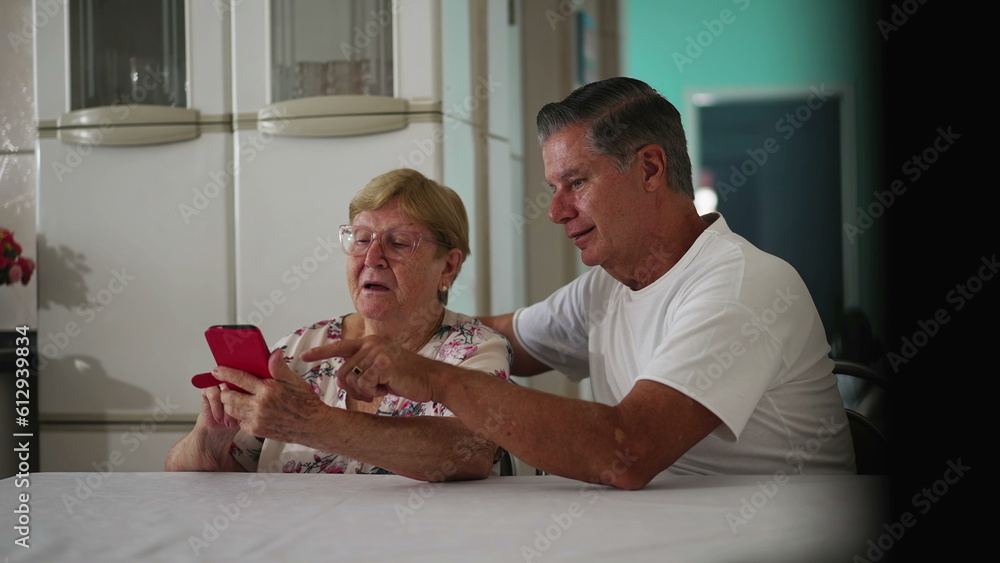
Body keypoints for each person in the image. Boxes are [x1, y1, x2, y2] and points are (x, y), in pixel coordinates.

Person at [301, 77, 855, 490]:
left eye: (576, 183)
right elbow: (500, 339)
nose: (557, 211)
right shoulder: (609, 287)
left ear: (650, 169)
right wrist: (384, 320)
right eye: (552, 187)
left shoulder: (741, 285)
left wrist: (432, 376)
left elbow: (627, 451)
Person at [165, 168, 513, 481]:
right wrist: (209, 441)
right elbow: (202, 477)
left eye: (399, 243)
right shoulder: (298, 349)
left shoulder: (476, 350)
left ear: (448, 267)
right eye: (361, 239)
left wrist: (313, 424)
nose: (371, 259)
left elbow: (471, 451)